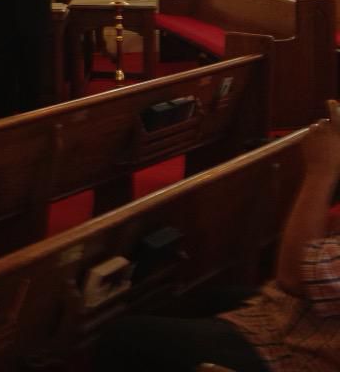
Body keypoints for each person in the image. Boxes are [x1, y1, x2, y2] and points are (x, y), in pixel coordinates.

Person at [98, 116, 340, 371]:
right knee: (195, 299)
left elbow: (294, 277)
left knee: (122, 337)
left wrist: (321, 171)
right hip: (309, 322)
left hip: (301, 354)